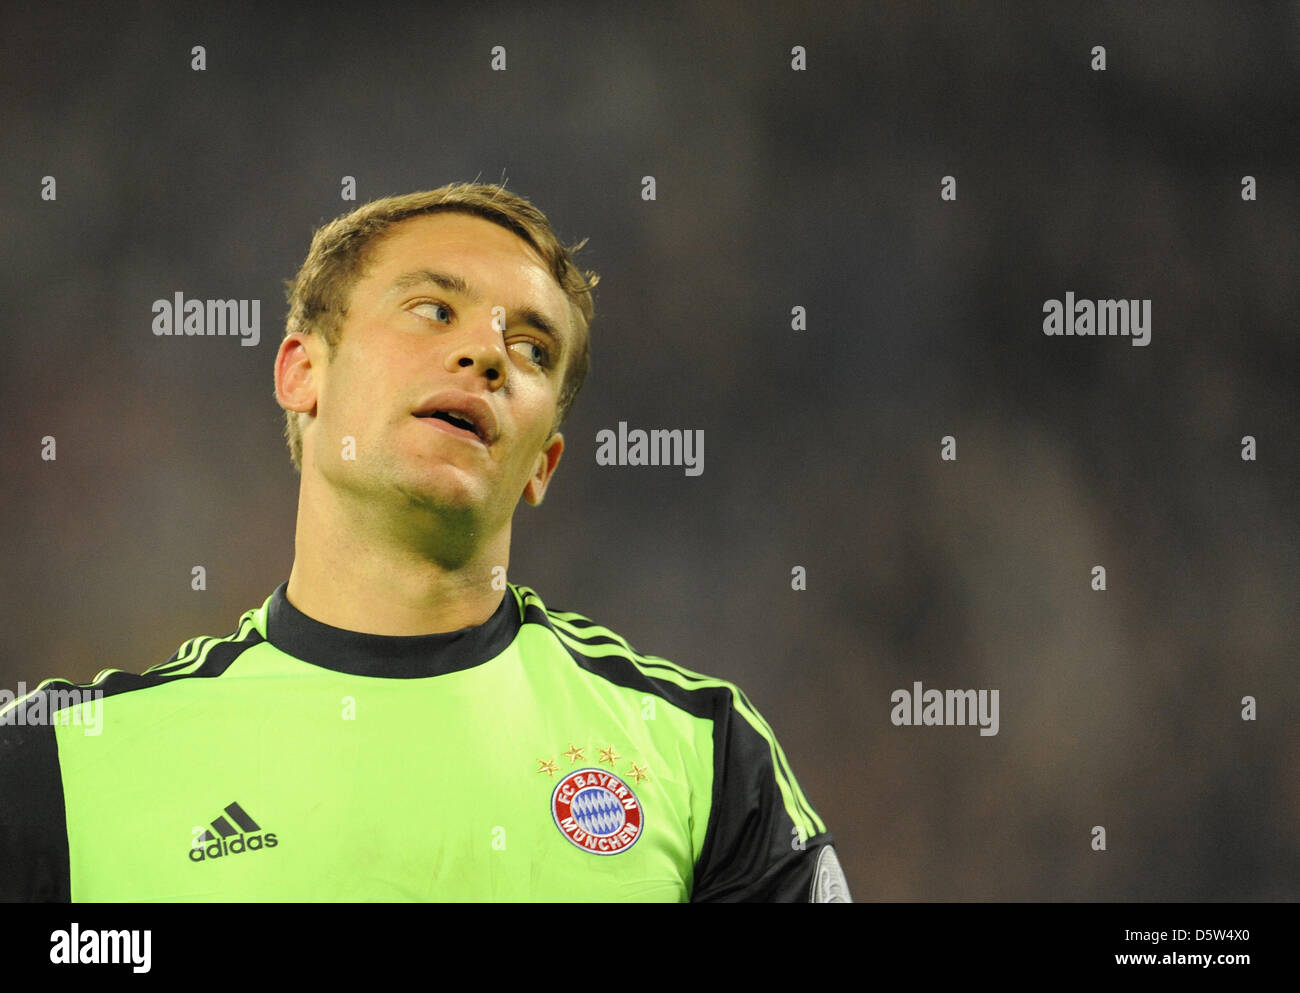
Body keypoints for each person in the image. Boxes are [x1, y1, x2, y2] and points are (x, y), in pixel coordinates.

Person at [0, 183, 849, 902]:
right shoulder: (60, 764)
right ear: (302, 371)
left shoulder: (700, 754)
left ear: (542, 462)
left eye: (532, 348)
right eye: (434, 309)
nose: (487, 353)